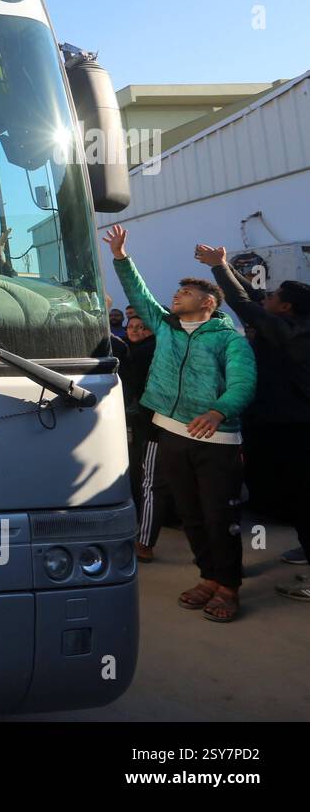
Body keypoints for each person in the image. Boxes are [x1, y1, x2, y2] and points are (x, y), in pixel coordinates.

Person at [104, 225, 256, 622]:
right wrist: (122, 257)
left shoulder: (229, 340)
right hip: (171, 434)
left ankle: (228, 588)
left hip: (216, 441)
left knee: (219, 516)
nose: (176, 296)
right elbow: (139, 294)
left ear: (209, 303)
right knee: (190, 514)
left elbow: (243, 382)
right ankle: (208, 577)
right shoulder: (168, 328)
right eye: (176, 292)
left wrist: (219, 411)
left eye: (186, 293)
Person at [195, 244, 310, 600]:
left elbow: (245, 304)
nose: (267, 297)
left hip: (293, 429)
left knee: (302, 496)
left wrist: (219, 267)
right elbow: (252, 296)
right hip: (280, 425)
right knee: (291, 496)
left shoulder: (291, 333)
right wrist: (226, 267)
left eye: (274, 296)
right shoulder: (288, 322)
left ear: (286, 307)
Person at [121, 315, 166, 561]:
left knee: (149, 482)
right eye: (132, 327)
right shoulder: (139, 350)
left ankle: (145, 543)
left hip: (151, 427)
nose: (136, 330)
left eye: (142, 327)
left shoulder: (145, 352)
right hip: (145, 426)